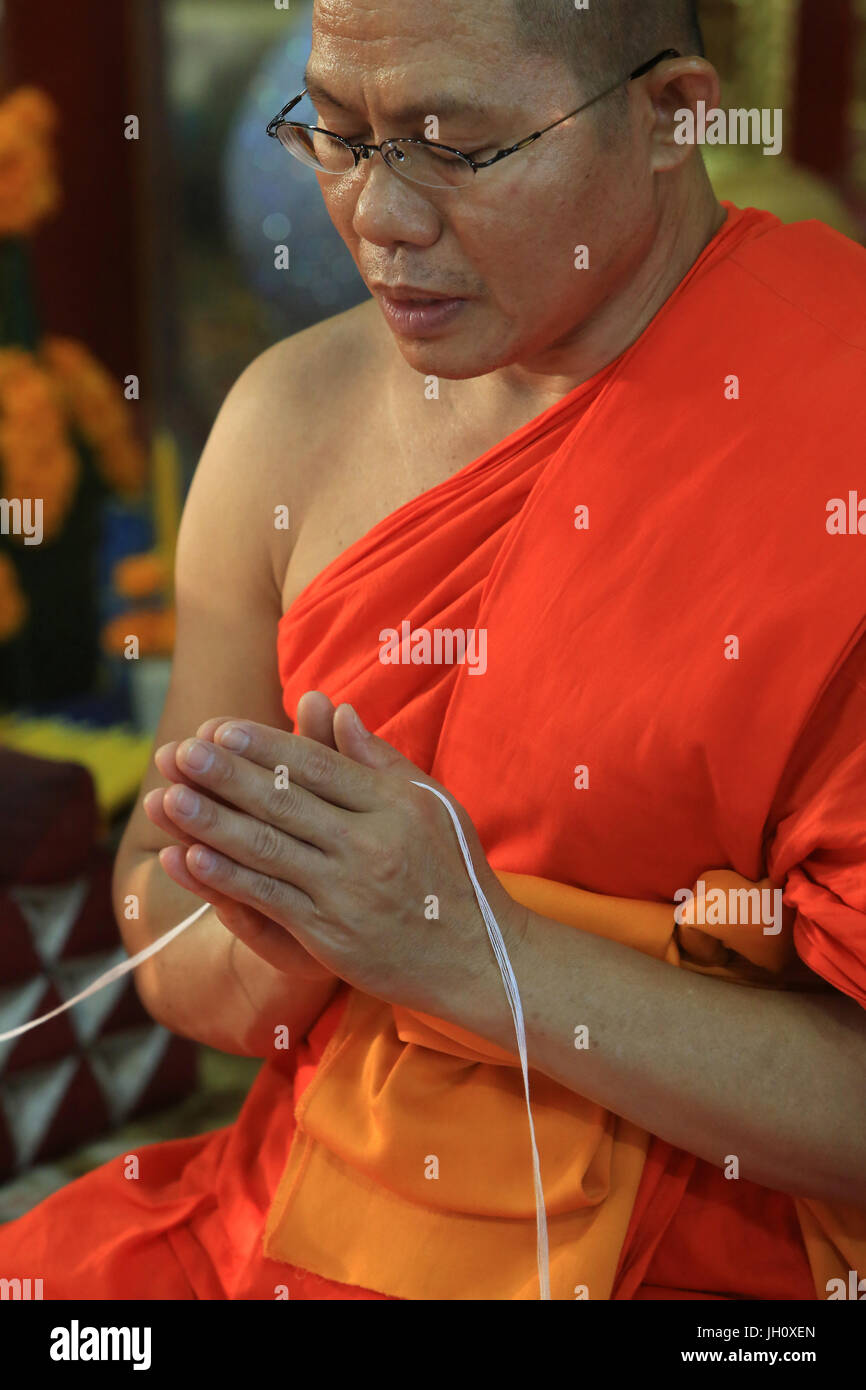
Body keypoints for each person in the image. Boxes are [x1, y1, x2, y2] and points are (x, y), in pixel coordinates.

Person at [1, 0, 865, 1300]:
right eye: (335, 134)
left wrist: (473, 955)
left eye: (456, 149)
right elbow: (159, 905)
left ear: (673, 118)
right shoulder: (288, 424)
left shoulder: (832, 417)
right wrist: (285, 934)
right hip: (295, 1218)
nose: (377, 220)